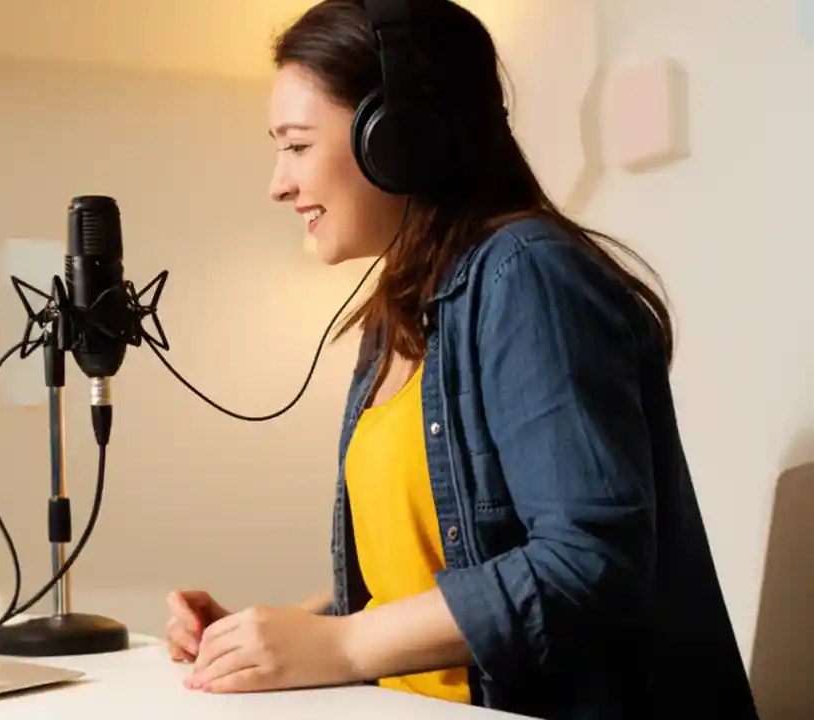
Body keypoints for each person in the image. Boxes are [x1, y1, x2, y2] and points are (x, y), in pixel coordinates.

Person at [162, 1, 759, 718]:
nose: (278, 183)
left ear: (397, 138)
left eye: (295, 145)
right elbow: (430, 575)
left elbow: (588, 566)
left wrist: (346, 645)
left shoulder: (527, 275)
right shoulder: (401, 316)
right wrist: (273, 640)